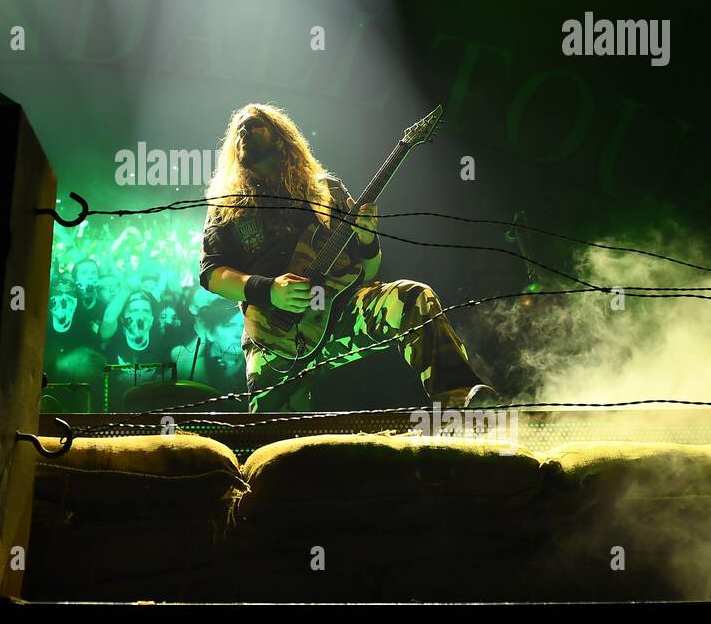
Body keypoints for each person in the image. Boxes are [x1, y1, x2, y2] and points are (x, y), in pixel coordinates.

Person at [198, 102, 499, 413]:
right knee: (272, 440)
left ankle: (459, 402)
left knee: (413, 298)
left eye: (254, 125)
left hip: (339, 314)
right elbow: (211, 274)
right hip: (273, 335)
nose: (244, 132)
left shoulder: (326, 191)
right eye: (239, 130)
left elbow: (368, 270)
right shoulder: (226, 204)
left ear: (279, 137)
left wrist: (368, 238)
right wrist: (270, 290)